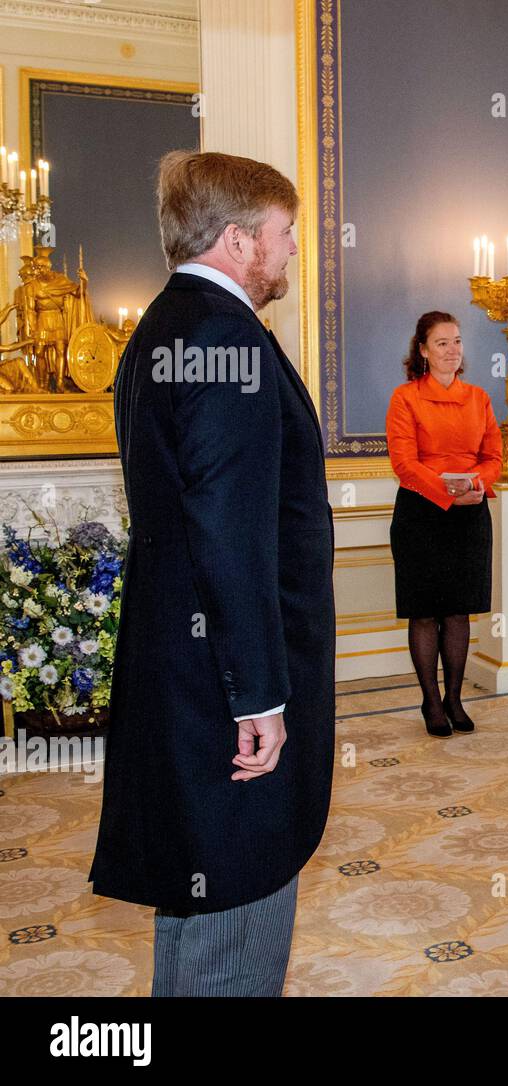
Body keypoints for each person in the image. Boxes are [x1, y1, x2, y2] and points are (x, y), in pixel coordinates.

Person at [88, 150, 335, 996]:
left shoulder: (159, 327)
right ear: (238, 240)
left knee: (202, 889)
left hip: (181, 659)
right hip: (221, 678)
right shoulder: (225, 338)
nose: (293, 250)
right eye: (284, 234)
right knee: (237, 888)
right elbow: (228, 535)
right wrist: (258, 696)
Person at [386, 312, 502, 738]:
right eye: (441, 343)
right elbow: (404, 463)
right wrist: (447, 492)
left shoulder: (479, 398)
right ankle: (431, 701)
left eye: (456, 342)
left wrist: (475, 484)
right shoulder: (405, 398)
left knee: (457, 610)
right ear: (422, 350)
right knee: (424, 612)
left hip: (470, 513)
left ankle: (455, 698)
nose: (452, 351)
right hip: (420, 515)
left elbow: (494, 457)